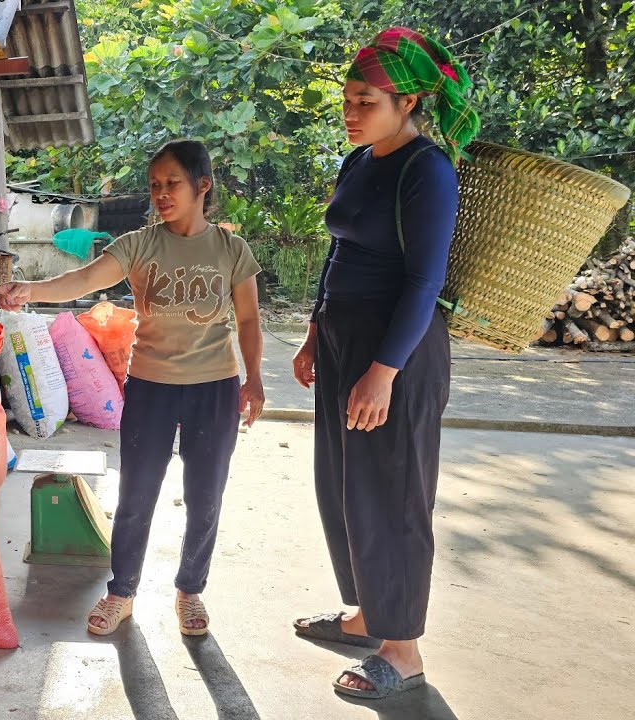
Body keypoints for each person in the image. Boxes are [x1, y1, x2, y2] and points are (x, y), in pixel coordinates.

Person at [0, 139, 265, 637]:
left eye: (172, 183)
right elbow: (83, 279)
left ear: (203, 185)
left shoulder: (230, 248)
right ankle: (122, 592)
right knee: (137, 493)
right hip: (152, 387)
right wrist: (30, 291)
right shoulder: (140, 244)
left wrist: (255, 379)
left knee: (205, 496)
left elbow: (248, 321)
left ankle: (190, 591)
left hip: (215, 387)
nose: (160, 193)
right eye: (154, 185)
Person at [290, 27, 479, 700]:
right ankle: (369, 615)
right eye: (346, 99)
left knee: (394, 496)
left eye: (364, 100)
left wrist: (383, 371)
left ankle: (403, 652)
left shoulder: (426, 170)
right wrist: (314, 333)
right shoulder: (359, 161)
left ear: (408, 102)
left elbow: (424, 281)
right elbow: (337, 253)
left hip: (396, 351)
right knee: (345, 488)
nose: (350, 112)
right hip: (344, 341)